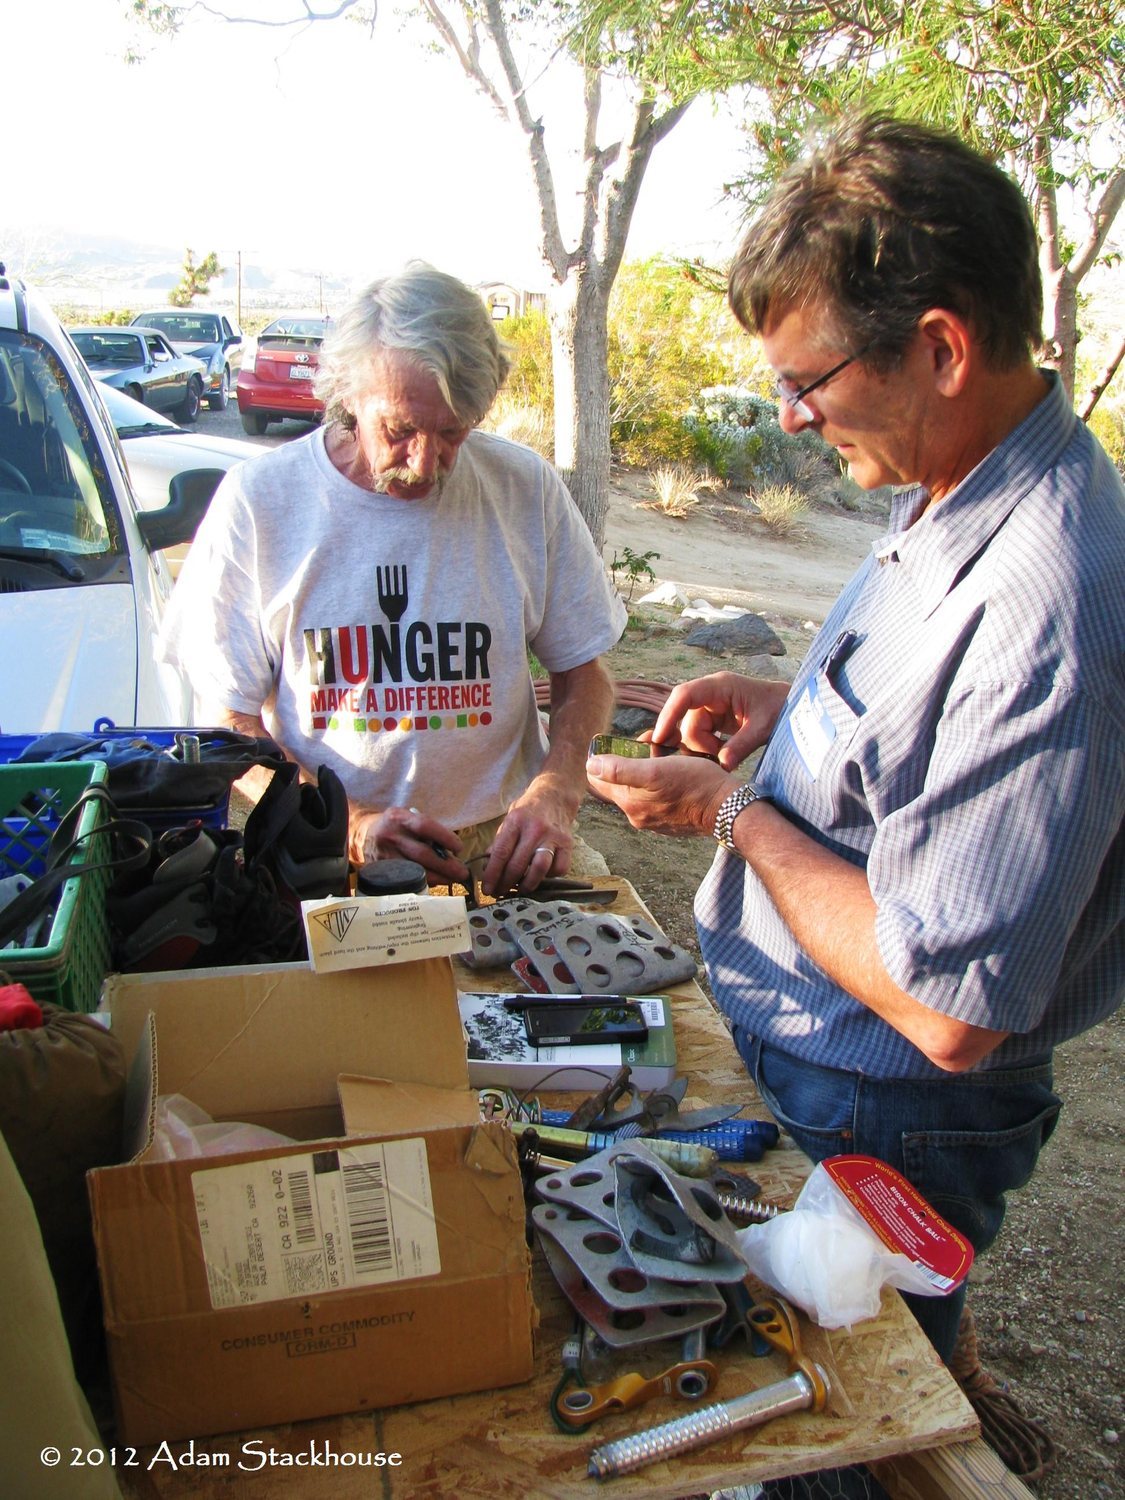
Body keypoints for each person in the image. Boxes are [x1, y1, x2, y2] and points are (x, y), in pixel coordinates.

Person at [588, 110, 1124, 1389]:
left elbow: (948, 1011)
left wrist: (732, 813)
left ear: (940, 348)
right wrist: (794, 707)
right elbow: (929, 726)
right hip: (825, 1072)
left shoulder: (1044, 600)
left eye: (810, 381)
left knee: (828, 1421)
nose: (788, 416)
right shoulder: (952, 481)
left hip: (890, 1113)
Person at [161, 264, 626, 896]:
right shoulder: (261, 503)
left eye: (453, 433)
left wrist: (559, 787)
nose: (425, 463)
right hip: (325, 849)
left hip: (501, 845)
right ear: (347, 391)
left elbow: (585, 673)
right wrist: (348, 822)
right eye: (400, 430)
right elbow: (229, 722)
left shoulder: (525, 488)